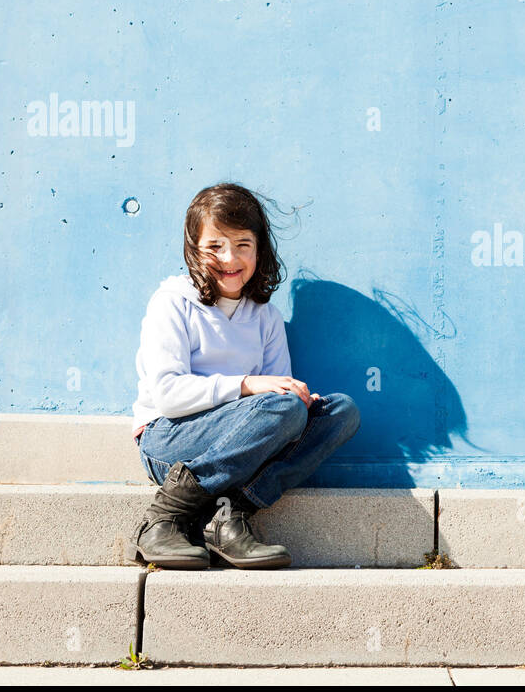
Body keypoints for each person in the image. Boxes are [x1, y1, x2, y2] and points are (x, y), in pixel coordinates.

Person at [129, 182, 361, 569]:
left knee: (342, 412)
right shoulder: (171, 303)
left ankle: (228, 516)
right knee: (281, 409)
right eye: (215, 246)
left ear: (258, 249)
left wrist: (300, 404)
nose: (229, 258)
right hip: (168, 439)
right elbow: (168, 395)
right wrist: (246, 385)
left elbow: (277, 412)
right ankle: (165, 516)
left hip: (239, 445)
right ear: (194, 249)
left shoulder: (265, 317)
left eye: (242, 245)